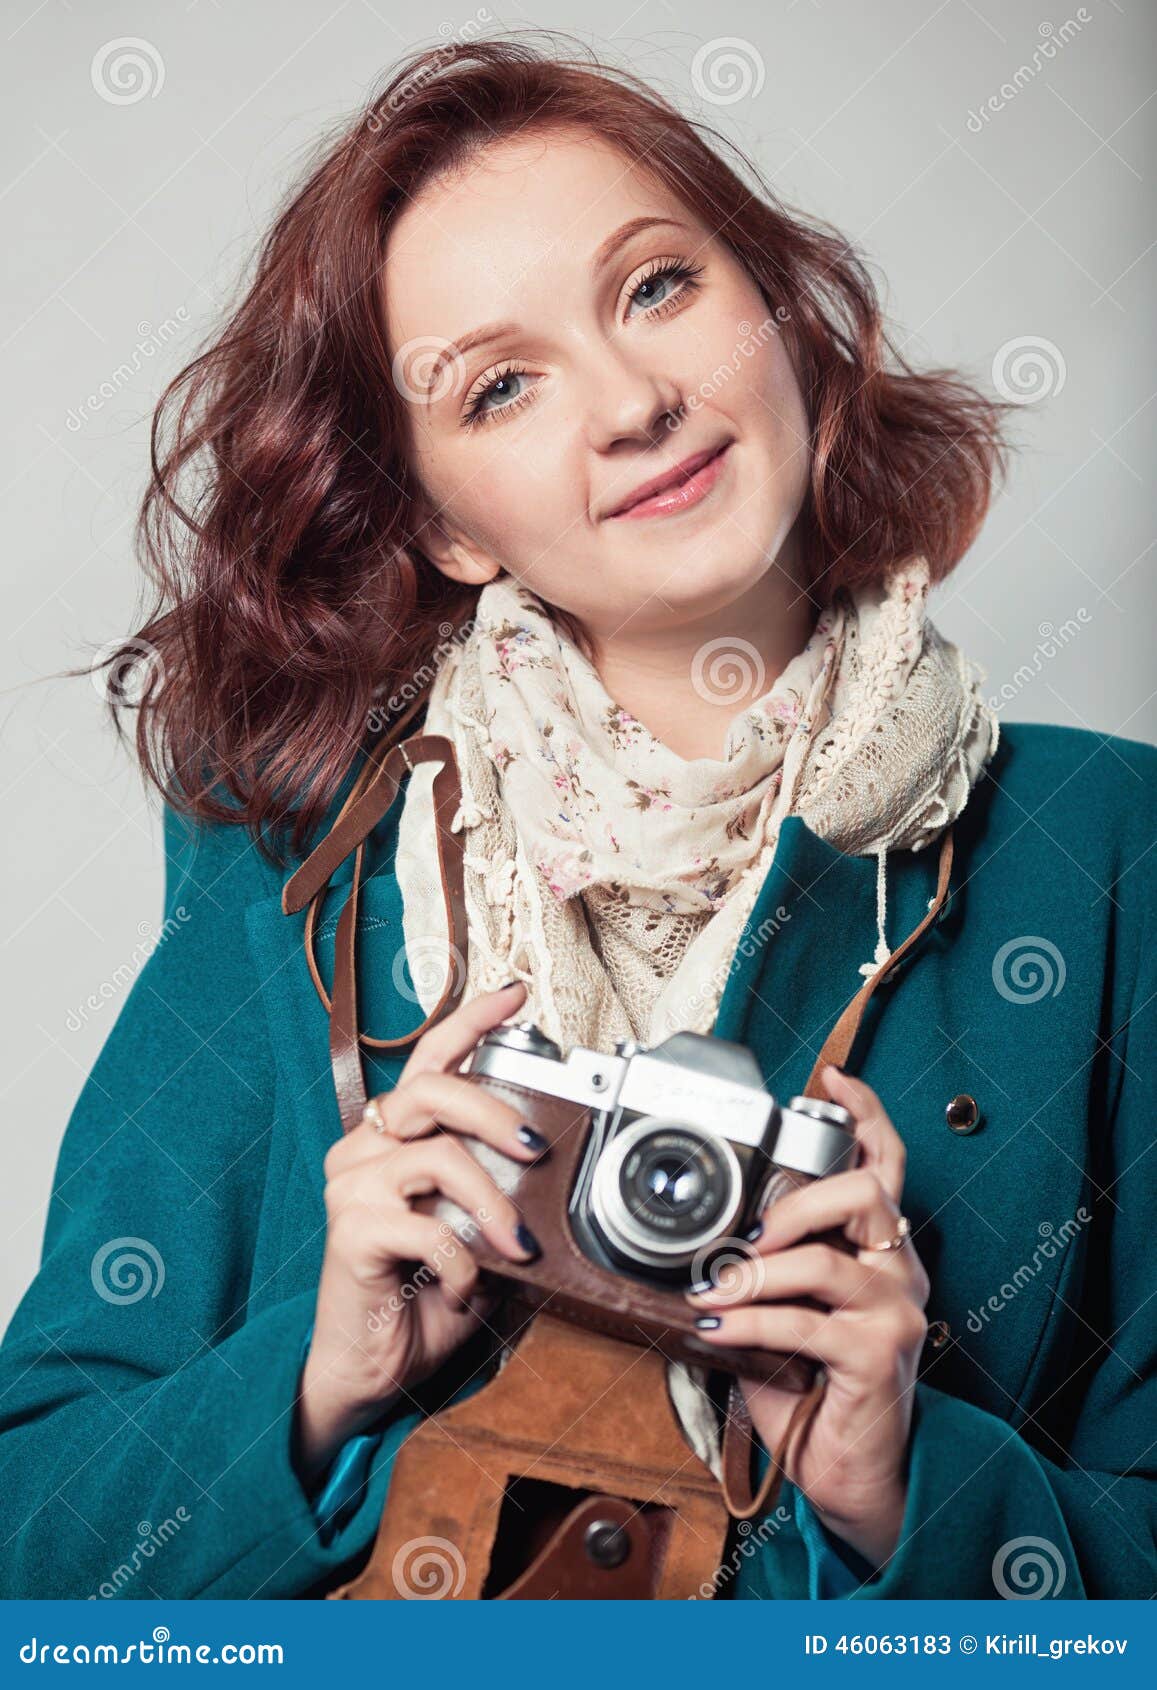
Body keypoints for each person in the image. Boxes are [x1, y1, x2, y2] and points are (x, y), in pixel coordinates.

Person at [1, 36, 1152, 1602]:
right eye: (500, 385)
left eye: (657, 287)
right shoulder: (301, 878)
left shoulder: (1103, 847)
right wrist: (318, 1373)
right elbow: (36, 1554)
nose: (631, 403)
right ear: (442, 524)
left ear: (777, 311)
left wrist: (902, 1480)